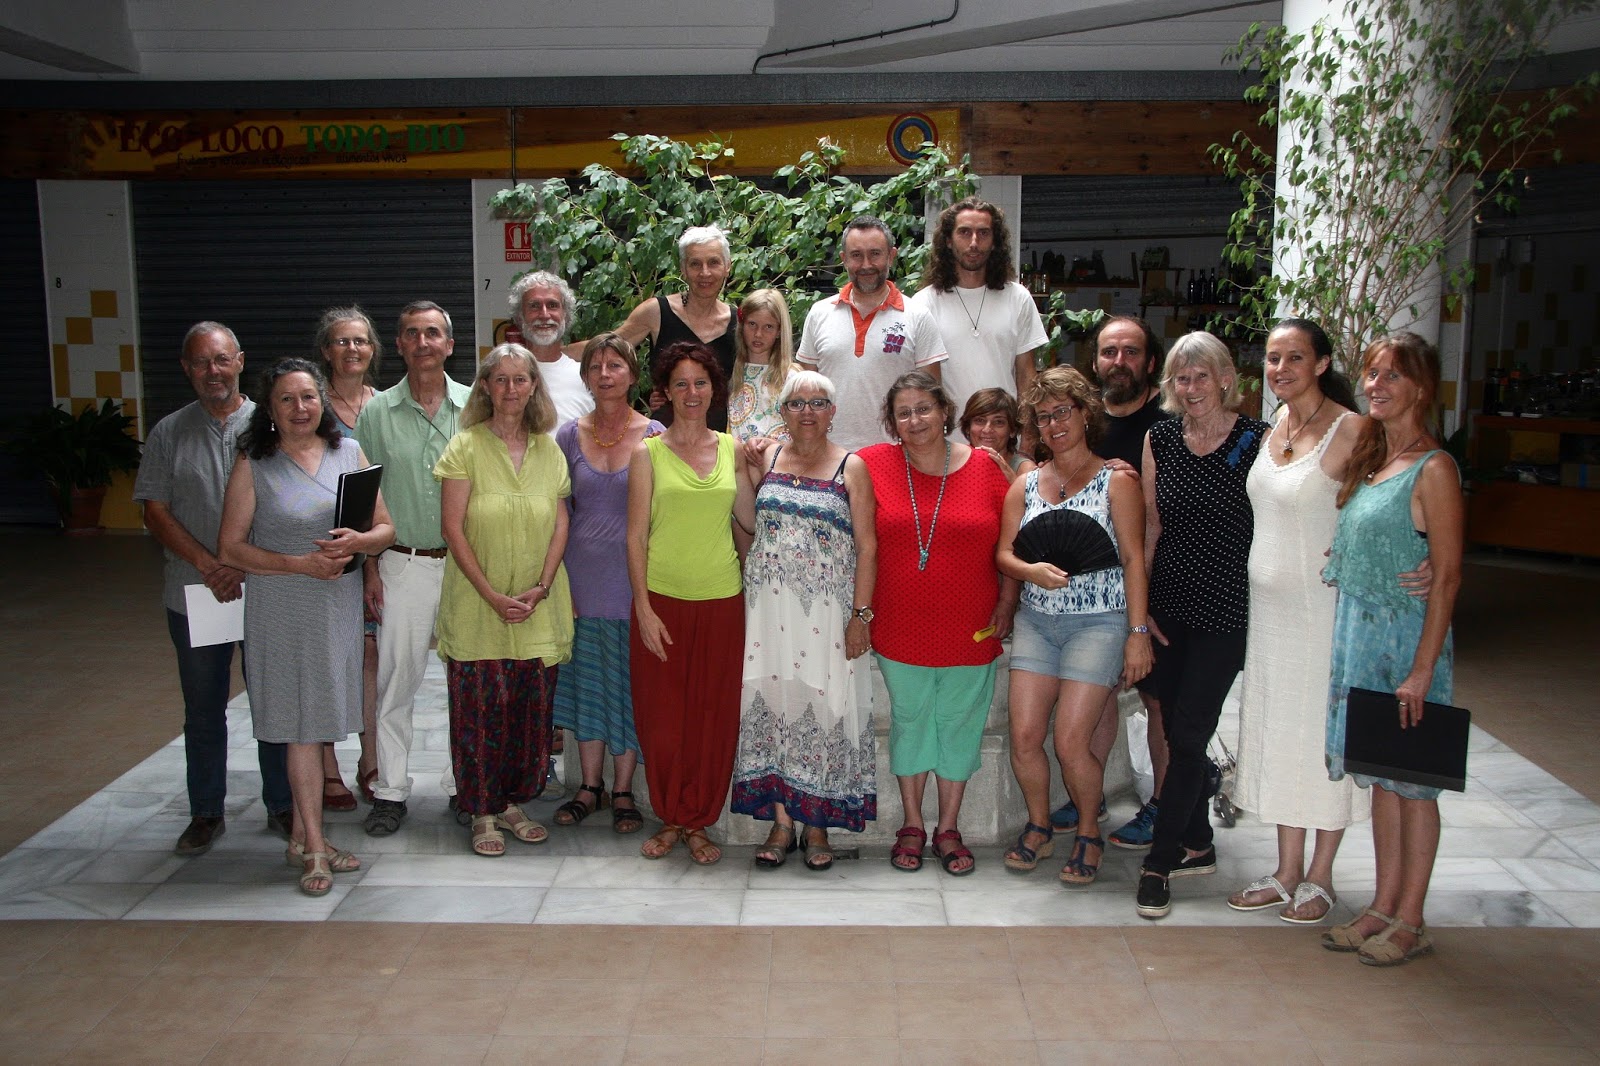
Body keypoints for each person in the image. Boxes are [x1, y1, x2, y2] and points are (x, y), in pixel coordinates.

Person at [217, 358, 395, 895]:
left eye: (308, 397)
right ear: (269, 410)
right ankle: (316, 847)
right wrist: (300, 564)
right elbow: (231, 548)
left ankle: (299, 836)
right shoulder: (255, 462)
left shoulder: (348, 452)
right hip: (283, 607)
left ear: (323, 401)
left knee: (318, 721)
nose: (300, 408)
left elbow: (385, 528)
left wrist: (359, 542)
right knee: (300, 726)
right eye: (286, 399)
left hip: (336, 607)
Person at [1319, 331, 1463, 966]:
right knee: (1382, 780)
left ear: (1421, 389)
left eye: (1392, 376)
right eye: (1372, 374)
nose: (1375, 386)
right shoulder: (1376, 460)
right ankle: (1382, 905)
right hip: (1362, 639)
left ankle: (1412, 919)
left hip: (1405, 644)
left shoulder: (1435, 468)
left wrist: (1422, 670)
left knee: (1415, 785)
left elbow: (1448, 576)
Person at [1229, 318, 1371, 922]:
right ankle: (1287, 870)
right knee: (1280, 734)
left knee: (1318, 736)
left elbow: (1382, 507)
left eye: (1294, 358)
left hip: (1323, 613)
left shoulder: (1353, 429)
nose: (1280, 369)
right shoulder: (1273, 428)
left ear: (1321, 363)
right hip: (1271, 617)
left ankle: (1320, 876)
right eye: (1272, 358)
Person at [133, 322, 294, 857]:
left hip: (265, 588)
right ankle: (206, 811)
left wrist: (247, 564)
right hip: (195, 591)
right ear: (187, 369)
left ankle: (283, 804)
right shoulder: (168, 433)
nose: (213, 371)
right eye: (201, 362)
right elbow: (155, 510)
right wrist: (209, 563)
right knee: (203, 708)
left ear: (240, 361)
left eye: (222, 359)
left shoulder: (273, 424)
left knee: (272, 701)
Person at [995, 367, 1153, 884]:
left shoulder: (1117, 481)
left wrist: (1137, 635)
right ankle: (1039, 825)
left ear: (1085, 414)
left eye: (1063, 412)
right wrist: (1031, 571)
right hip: (1038, 621)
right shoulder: (1025, 485)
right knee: (1024, 736)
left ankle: (1088, 831)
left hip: (1099, 623)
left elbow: (1133, 560)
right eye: (1043, 417)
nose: (1054, 424)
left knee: (1069, 741)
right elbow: (1004, 554)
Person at [1134, 332, 1270, 920]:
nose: (1190, 388)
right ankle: (1198, 841)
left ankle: (1158, 863)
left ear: (1225, 378)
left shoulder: (1257, 440)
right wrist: (1140, 612)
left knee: (1188, 736)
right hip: (1169, 606)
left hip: (1226, 608)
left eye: (1201, 376)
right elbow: (1151, 527)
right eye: (1180, 378)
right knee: (1171, 723)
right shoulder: (1160, 438)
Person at [859, 371, 1016, 876]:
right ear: (891, 422)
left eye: (924, 408)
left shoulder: (987, 468)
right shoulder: (871, 464)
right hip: (898, 624)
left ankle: (948, 827)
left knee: (959, 725)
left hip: (972, 625)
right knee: (910, 721)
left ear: (945, 411)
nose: (915, 420)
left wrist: (1008, 600)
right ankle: (911, 824)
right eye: (903, 413)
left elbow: (1015, 541)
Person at [731, 370, 878, 869]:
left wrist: (860, 616)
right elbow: (748, 522)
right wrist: (739, 470)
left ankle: (816, 825)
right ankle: (782, 823)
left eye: (818, 403)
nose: (807, 412)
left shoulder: (851, 466)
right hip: (769, 613)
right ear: (784, 412)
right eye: (797, 403)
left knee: (822, 705)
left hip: (827, 616)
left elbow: (868, 546)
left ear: (832, 412)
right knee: (774, 703)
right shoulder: (769, 456)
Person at [434, 344, 575, 856]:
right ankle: (481, 810)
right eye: (501, 379)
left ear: (534, 387)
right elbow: (452, 529)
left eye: (521, 379)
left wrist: (542, 584)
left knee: (528, 714)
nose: (511, 388)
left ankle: (512, 802)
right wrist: (492, 595)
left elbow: (560, 522)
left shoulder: (549, 450)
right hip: (478, 607)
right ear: (485, 387)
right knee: (478, 713)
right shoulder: (464, 447)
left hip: (538, 605)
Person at [626, 341, 755, 865]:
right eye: (680, 383)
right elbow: (635, 536)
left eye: (700, 382)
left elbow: (747, 522)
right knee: (662, 720)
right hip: (663, 602)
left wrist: (767, 468)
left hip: (722, 602)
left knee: (712, 718)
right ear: (665, 391)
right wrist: (643, 608)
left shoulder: (732, 449)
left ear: (713, 389)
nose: (691, 392)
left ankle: (698, 821)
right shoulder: (647, 453)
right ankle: (670, 816)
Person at [355, 301, 474, 837]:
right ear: (399, 344)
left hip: (466, 567)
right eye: (412, 334)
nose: (423, 342)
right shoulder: (376, 414)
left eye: (433, 333)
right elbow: (363, 497)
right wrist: (370, 568)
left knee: (464, 683)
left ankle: (462, 786)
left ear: (450, 344)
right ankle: (390, 791)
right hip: (401, 563)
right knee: (396, 683)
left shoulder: (475, 407)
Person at [1058, 315, 1171, 850]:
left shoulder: (1166, 424)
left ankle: (1164, 806)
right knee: (1099, 693)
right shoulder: (1086, 421)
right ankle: (1091, 795)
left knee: (1157, 699)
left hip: (1159, 581)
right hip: (1097, 591)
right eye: (1109, 352)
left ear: (1151, 362)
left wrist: (1141, 613)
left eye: (1131, 352)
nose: (1119, 362)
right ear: (1095, 361)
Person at [552, 334, 664, 834]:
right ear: (585, 377)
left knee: (628, 685)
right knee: (588, 683)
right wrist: (557, 581)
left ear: (633, 375)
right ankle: (589, 785)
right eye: (595, 366)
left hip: (634, 579)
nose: (604, 374)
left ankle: (623, 789)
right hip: (581, 577)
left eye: (615, 365)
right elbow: (558, 513)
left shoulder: (655, 435)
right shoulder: (567, 436)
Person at [798, 216, 947, 451]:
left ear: (891, 256)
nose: (866, 264)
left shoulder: (918, 316)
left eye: (875, 254)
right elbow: (805, 392)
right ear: (844, 259)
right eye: (856, 255)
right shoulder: (819, 313)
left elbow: (931, 398)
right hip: (829, 456)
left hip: (896, 454)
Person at [315, 305, 381, 810]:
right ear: (326, 351)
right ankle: (327, 767)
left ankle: (370, 759)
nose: (352, 349)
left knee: (369, 657)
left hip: (370, 548)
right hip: (321, 553)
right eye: (342, 341)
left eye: (360, 341)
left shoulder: (383, 405)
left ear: (373, 350)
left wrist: (373, 561)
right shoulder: (309, 404)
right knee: (325, 658)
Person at [911, 196, 1047, 419]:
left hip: (1005, 433)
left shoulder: (1018, 297)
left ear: (994, 242)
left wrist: (1028, 433)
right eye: (964, 232)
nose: (974, 242)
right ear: (948, 240)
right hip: (948, 436)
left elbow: (1026, 377)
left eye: (983, 233)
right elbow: (924, 385)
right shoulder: (924, 304)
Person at [613, 224, 739, 430]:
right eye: (695, 264)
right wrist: (557, 352)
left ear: (727, 267)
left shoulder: (739, 325)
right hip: (664, 437)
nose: (705, 272)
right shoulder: (657, 312)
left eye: (713, 262)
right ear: (683, 269)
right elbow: (604, 349)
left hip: (718, 441)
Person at [510, 271, 594, 430]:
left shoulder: (587, 377)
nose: (544, 314)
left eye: (552, 305)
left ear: (566, 315)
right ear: (520, 317)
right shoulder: (499, 375)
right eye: (534, 306)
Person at [726, 288, 798, 443]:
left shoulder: (792, 377)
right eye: (752, 324)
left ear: (779, 331)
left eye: (768, 327)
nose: (758, 334)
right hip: (737, 456)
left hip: (778, 456)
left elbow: (803, 432)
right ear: (742, 325)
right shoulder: (731, 371)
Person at [959, 388, 1034, 479]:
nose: (987, 430)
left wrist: (1014, 482)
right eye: (980, 420)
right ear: (967, 427)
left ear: (1012, 430)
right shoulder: (954, 463)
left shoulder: (1026, 470)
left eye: (998, 422)